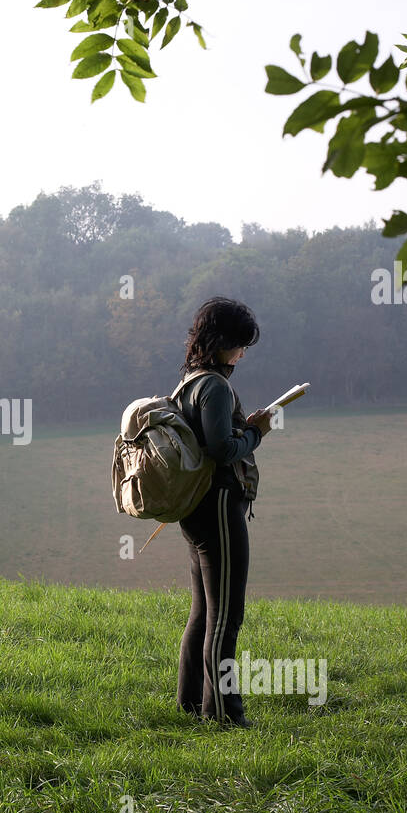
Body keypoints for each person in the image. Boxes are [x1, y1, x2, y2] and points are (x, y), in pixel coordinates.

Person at [172, 297, 271, 728]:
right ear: (222, 341)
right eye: (240, 344)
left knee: (203, 612)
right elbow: (221, 449)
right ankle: (227, 716)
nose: (243, 353)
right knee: (227, 617)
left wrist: (240, 429)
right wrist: (255, 432)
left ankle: (191, 704)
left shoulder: (189, 382)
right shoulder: (214, 386)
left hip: (195, 510)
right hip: (220, 509)